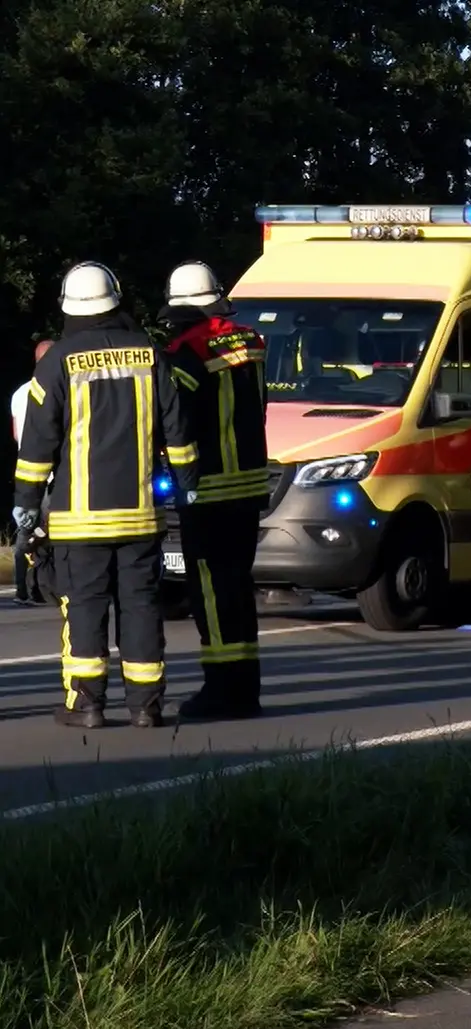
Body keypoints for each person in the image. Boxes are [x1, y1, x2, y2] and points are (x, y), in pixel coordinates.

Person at [13, 262, 199, 729]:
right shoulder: (149, 354)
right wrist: (186, 483)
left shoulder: (57, 361)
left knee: (84, 610)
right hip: (140, 515)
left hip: (80, 521)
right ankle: (145, 707)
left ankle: (88, 706)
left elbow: (38, 443)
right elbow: (177, 428)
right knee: (140, 608)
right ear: (115, 298)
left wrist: (26, 502)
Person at [161, 262, 271, 719]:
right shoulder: (250, 340)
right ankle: (246, 687)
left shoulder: (188, 351)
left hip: (209, 489)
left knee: (211, 592)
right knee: (237, 588)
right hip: (249, 483)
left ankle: (223, 691)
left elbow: (178, 420)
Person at [12, 340, 53, 605]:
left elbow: (17, 434)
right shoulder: (57, 388)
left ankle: (22, 590)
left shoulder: (20, 393)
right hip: (52, 474)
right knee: (51, 532)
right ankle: (44, 586)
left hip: (25, 473)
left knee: (26, 529)